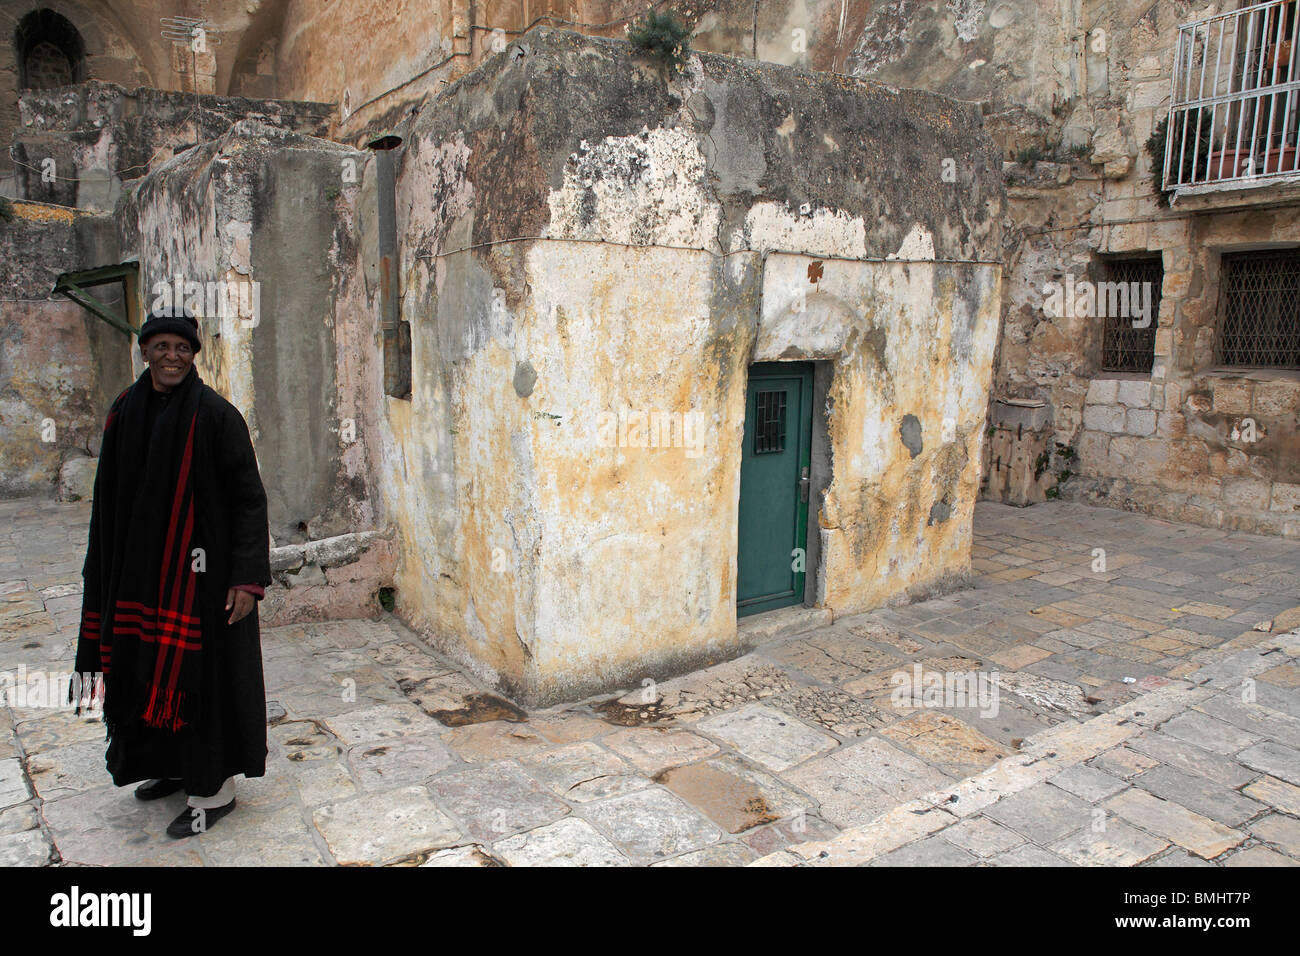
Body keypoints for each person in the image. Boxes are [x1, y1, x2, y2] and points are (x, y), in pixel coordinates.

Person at [74, 309, 271, 839]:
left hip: (203, 587)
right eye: (161, 346)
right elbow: (107, 501)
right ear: (145, 352)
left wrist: (247, 580)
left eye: (182, 348)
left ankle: (213, 791)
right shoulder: (123, 412)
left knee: (204, 683)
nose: (172, 356)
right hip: (139, 582)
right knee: (146, 672)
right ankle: (170, 765)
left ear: (193, 355)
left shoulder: (216, 415)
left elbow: (250, 502)